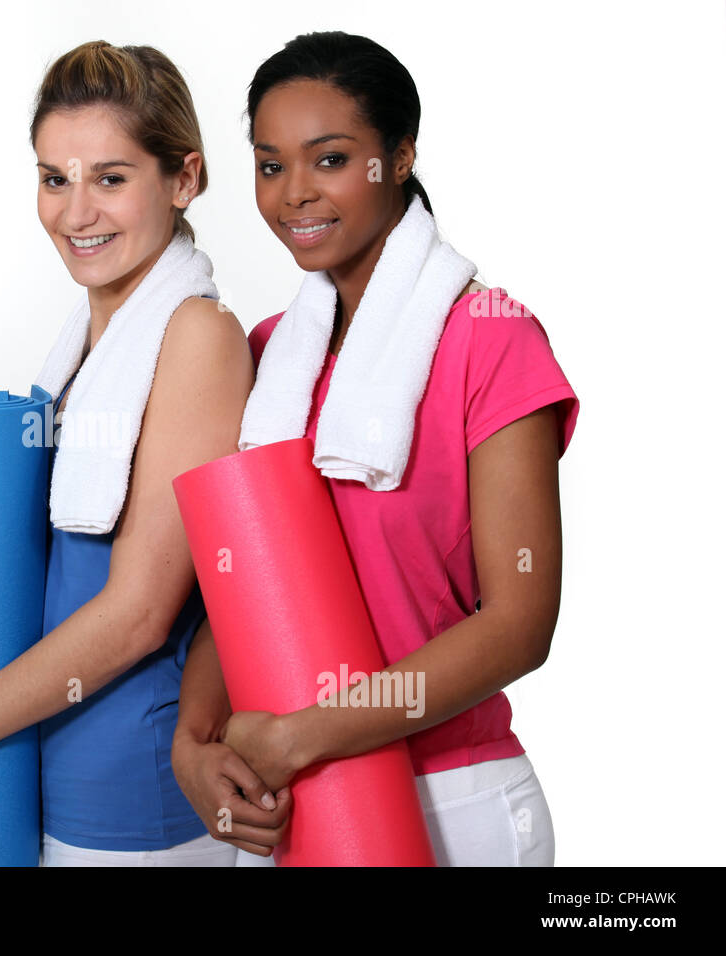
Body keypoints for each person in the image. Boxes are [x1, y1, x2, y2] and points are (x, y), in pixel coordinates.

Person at [0, 40, 274, 866]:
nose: (75, 211)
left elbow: (139, 614)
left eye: (111, 178)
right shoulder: (86, 353)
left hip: (134, 802)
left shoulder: (197, 335)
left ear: (185, 178)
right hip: (38, 785)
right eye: (55, 178)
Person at [181, 31, 578, 866]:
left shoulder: (491, 339)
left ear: (398, 158)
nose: (294, 194)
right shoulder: (272, 353)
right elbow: (239, 578)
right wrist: (194, 740)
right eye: (269, 164)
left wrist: (311, 733)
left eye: (329, 160)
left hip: (454, 796)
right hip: (293, 794)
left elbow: (520, 624)